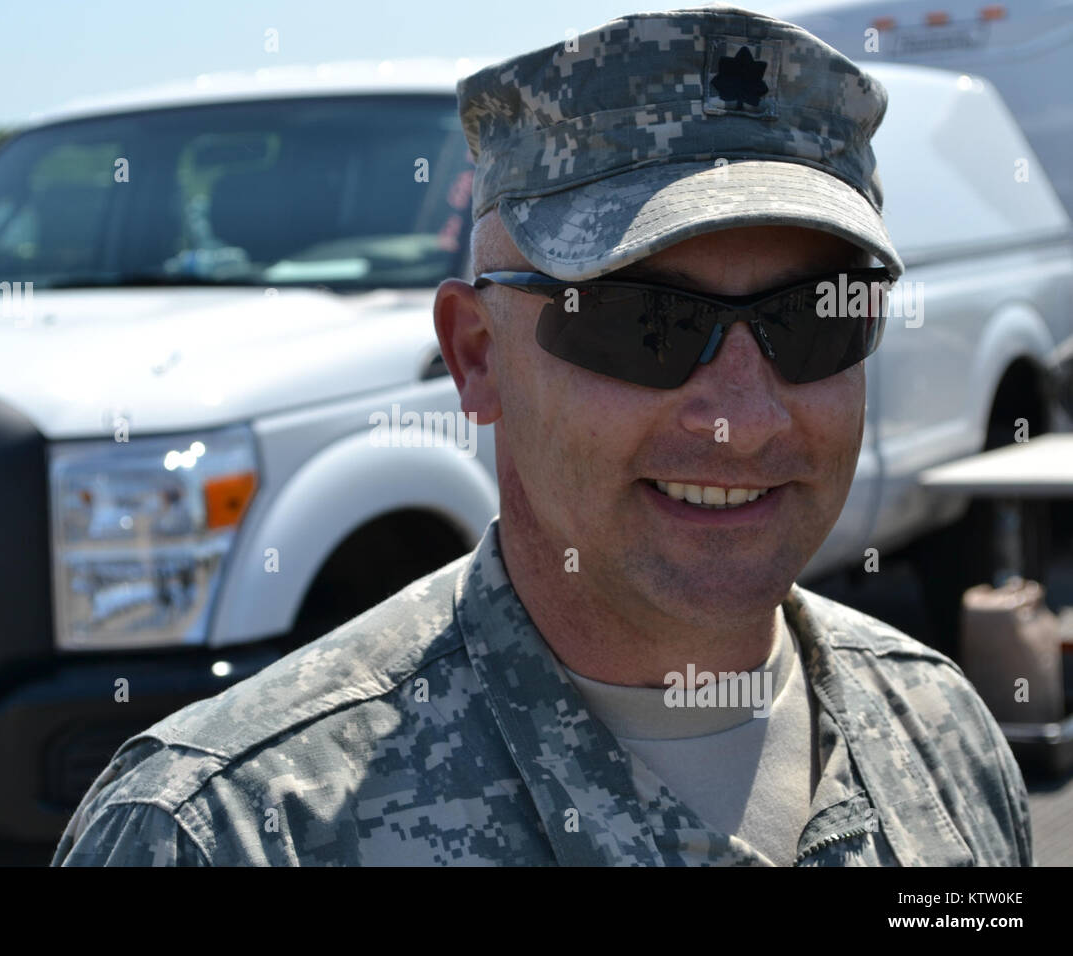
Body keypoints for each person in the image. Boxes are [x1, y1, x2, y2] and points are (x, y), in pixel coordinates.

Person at [52, 5, 1032, 866]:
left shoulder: (940, 735)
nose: (744, 419)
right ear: (476, 355)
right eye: (644, 323)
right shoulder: (230, 831)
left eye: (815, 318)